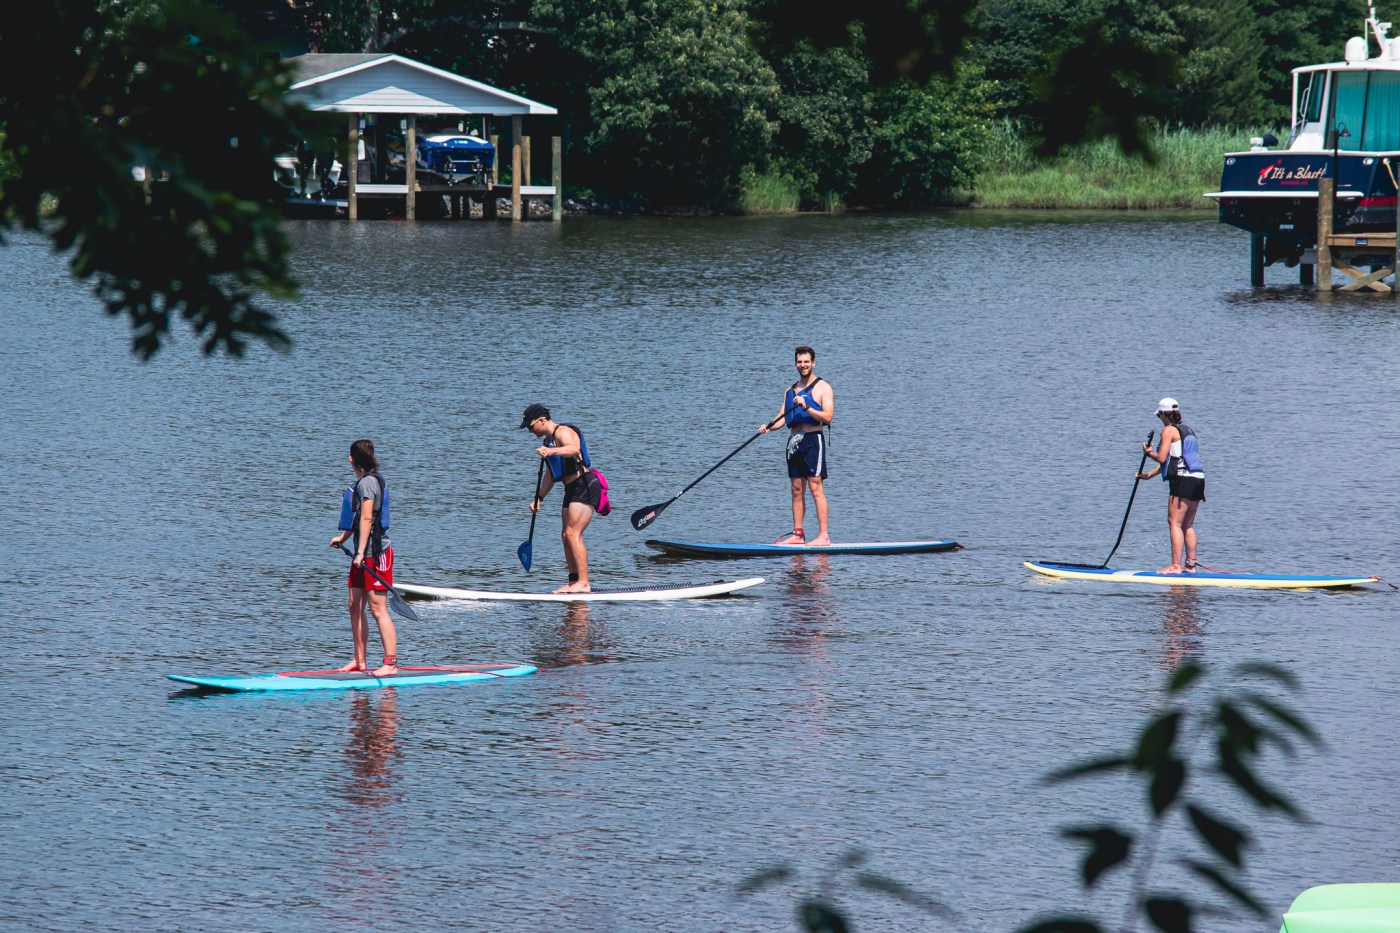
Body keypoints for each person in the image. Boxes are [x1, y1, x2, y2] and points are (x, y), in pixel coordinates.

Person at [329, 439, 399, 676]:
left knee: (378, 608)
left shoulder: (368, 484)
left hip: (376, 554)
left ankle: (390, 664)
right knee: (354, 605)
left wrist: (360, 553)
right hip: (362, 554)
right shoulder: (362, 483)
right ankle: (359, 660)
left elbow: (368, 518)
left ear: (353, 459)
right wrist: (343, 538)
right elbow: (358, 519)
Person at [522, 404, 603, 594]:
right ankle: (573, 580)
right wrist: (539, 497)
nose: (529, 431)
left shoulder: (563, 432)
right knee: (566, 535)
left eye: (531, 426)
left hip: (584, 484)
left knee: (574, 533)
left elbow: (573, 449)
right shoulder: (549, 441)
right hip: (571, 488)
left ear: (542, 420)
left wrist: (551, 452)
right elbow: (551, 475)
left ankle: (584, 582)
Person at [758, 345, 834, 546]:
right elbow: (782, 419)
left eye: (806, 362)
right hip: (794, 443)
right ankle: (798, 535)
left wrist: (807, 407)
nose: (803, 365)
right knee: (796, 489)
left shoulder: (823, 387)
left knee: (815, 487)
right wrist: (768, 426)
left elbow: (828, 417)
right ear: (795, 364)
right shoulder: (790, 391)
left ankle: (823, 536)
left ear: (813, 363)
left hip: (812, 441)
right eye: (799, 362)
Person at [1136, 397, 1206, 574]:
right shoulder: (1187, 430)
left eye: (1159, 415)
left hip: (1182, 481)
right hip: (1198, 479)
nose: (1159, 418)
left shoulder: (1168, 431)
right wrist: (1147, 476)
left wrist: (1149, 452)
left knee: (1174, 523)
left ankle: (1175, 565)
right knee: (1187, 525)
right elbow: (1172, 461)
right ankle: (1190, 566)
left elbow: (1161, 457)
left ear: (1164, 414)